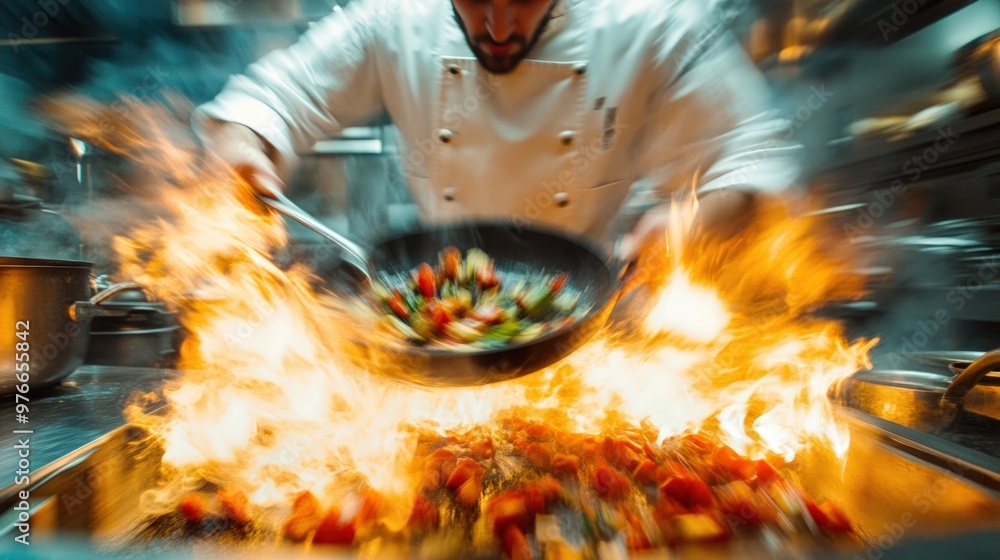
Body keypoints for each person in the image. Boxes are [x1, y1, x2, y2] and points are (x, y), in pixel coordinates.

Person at [195, 0, 801, 259]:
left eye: (526, 1)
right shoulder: (396, 16)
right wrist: (243, 151)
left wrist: (693, 223)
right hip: (440, 328)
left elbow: (752, 156)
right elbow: (268, 100)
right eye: (476, 0)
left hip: (588, 323)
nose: (500, 28)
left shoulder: (652, 21)